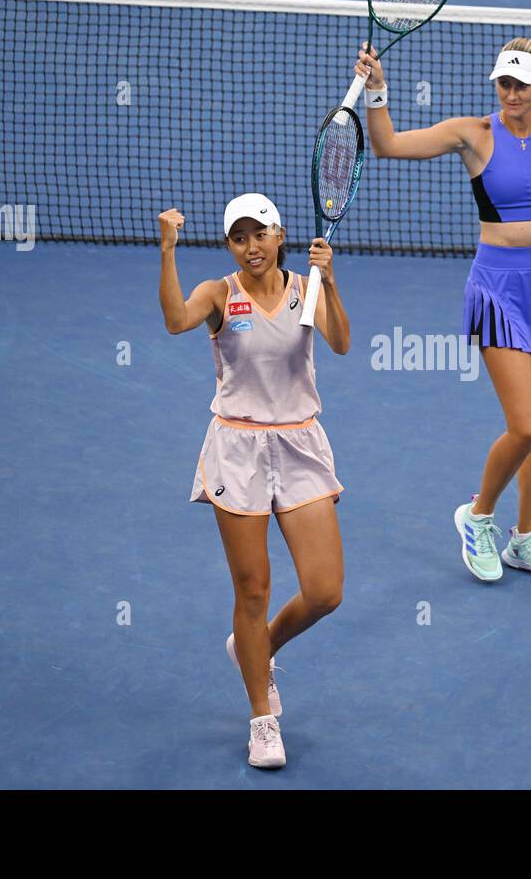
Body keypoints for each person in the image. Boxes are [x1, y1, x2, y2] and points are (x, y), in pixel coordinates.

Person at [354, 6, 531, 584]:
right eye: (504, 82)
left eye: (521, 82)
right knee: (526, 425)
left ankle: (526, 539)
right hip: (498, 292)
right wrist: (378, 93)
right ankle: (477, 515)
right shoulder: (473, 133)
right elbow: (387, 146)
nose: (511, 92)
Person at [158, 194, 351, 768]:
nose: (252, 247)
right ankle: (260, 716)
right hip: (237, 449)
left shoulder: (306, 286)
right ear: (229, 247)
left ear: (280, 235)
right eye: (239, 238)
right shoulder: (220, 293)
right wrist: (168, 251)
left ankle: (257, 648)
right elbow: (175, 321)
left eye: (260, 234)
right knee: (253, 589)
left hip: (300, 445)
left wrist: (331, 282)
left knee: (325, 591)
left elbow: (340, 342)